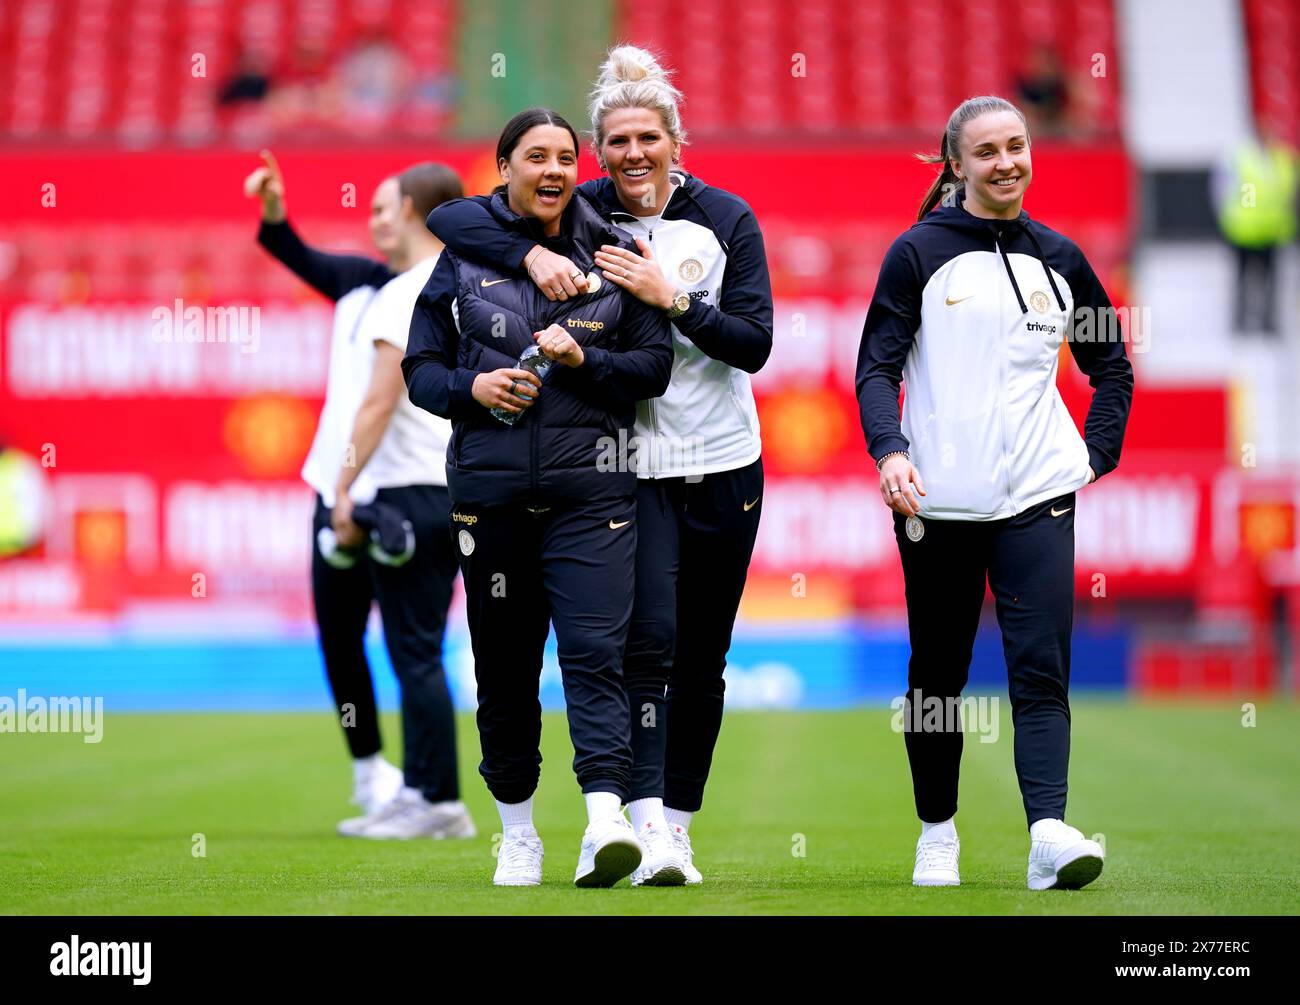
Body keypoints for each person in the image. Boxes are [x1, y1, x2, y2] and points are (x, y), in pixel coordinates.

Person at [425, 45, 773, 887]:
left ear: (675, 140)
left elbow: (753, 345)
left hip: (721, 460)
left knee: (703, 659)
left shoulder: (725, 219)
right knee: (637, 651)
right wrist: (525, 258)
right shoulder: (578, 212)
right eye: (614, 141)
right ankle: (637, 822)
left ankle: (674, 827)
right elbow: (457, 220)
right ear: (598, 150)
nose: (632, 155)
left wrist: (672, 299)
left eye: (647, 138)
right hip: (624, 468)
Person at [855, 95, 1133, 890]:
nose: (1006, 161)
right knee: (936, 676)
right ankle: (936, 831)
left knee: (1040, 668)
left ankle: (1047, 831)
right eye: (987, 151)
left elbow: (1110, 365)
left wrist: (1090, 456)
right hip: (935, 504)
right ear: (957, 164)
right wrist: (891, 449)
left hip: (1040, 498)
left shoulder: (1064, 258)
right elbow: (875, 368)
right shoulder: (916, 255)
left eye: (1016, 145)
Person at [403, 107, 673, 887]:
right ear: (506, 167)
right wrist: (472, 386)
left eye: (565, 157)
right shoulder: (459, 256)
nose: (553, 170)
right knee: (505, 666)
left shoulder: (618, 252)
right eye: (536, 157)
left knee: (596, 657)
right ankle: (517, 833)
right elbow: (420, 370)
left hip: (594, 493)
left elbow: (652, 370)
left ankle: (602, 822)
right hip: (488, 499)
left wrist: (583, 357)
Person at [247, 151, 473, 839]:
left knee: (413, 648)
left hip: (396, 488)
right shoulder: (378, 286)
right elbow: (302, 256)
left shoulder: (419, 293)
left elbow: (378, 403)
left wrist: (344, 488)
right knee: (362, 639)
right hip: (380, 487)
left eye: (382, 206)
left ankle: (433, 797)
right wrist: (276, 216)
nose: (371, 220)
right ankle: (389, 776)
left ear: (409, 209)